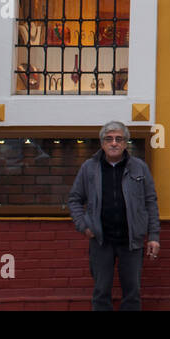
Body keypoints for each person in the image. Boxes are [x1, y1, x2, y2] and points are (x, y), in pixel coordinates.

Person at [67, 120, 160, 311]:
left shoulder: (139, 168)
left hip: (131, 241)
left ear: (126, 143)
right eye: (109, 139)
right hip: (101, 241)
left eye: (119, 139)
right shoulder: (89, 168)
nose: (114, 143)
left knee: (132, 293)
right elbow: (74, 199)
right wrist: (83, 225)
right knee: (101, 292)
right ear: (102, 143)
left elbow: (150, 202)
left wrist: (153, 237)